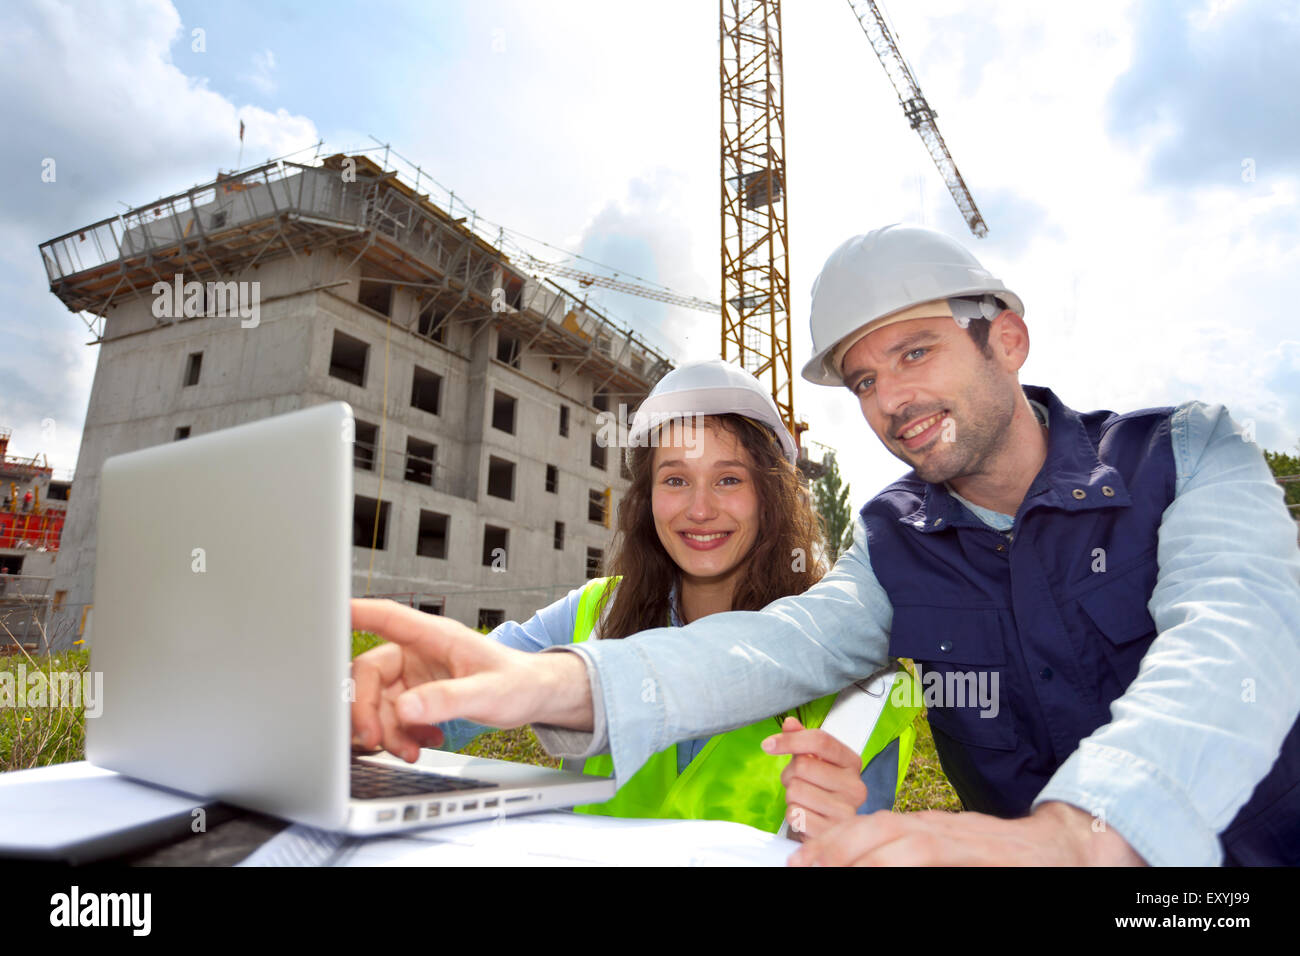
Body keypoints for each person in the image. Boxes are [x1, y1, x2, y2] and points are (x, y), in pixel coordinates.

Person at [351, 225, 1300, 866]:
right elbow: (780, 642)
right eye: (863, 379)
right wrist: (548, 682)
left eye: (916, 352)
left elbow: (1235, 640)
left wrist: (1075, 836)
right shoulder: (897, 539)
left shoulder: (1185, 452)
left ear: (1006, 339)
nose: (891, 401)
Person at [355, 360, 920, 838]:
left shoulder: (852, 666)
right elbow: (457, 701)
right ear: (646, 498)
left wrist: (840, 836)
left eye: (729, 480)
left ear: (772, 496)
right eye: (674, 480)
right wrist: (391, 705)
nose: (699, 510)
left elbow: (858, 832)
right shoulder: (591, 613)